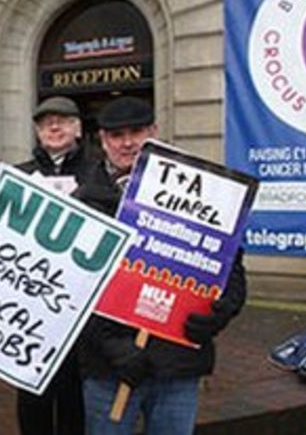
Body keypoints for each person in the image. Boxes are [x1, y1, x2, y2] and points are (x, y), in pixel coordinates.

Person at [73, 96, 246, 435]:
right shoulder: (84, 201)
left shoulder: (202, 193)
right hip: (109, 371)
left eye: (136, 131)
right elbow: (69, 289)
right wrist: (111, 346)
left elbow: (232, 270)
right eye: (116, 134)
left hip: (177, 367)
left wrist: (219, 313)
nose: (127, 142)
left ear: (154, 131)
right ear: (103, 141)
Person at [15, 95, 94, 435]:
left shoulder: (97, 175)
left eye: (62, 119)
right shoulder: (18, 176)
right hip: (31, 309)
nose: (54, 126)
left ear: (78, 127)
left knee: (75, 401)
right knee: (32, 398)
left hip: (80, 309)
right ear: (37, 130)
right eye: (46, 122)